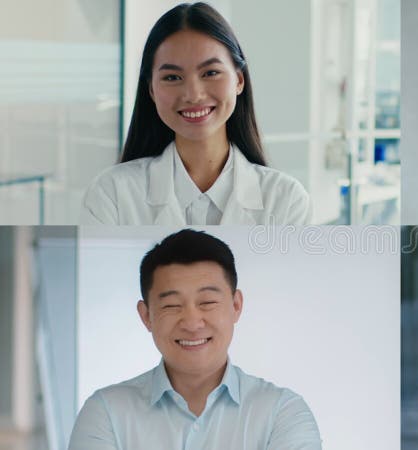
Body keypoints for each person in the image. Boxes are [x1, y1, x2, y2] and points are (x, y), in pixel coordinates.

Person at [68, 229, 322, 450]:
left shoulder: (283, 412)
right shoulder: (105, 412)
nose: (191, 322)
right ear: (146, 316)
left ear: (236, 305)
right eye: (171, 305)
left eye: (207, 302)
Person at [81, 3, 311, 225]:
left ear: (239, 80)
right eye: (172, 77)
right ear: (151, 89)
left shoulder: (286, 200)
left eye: (210, 72)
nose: (193, 95)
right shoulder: (111, 194)